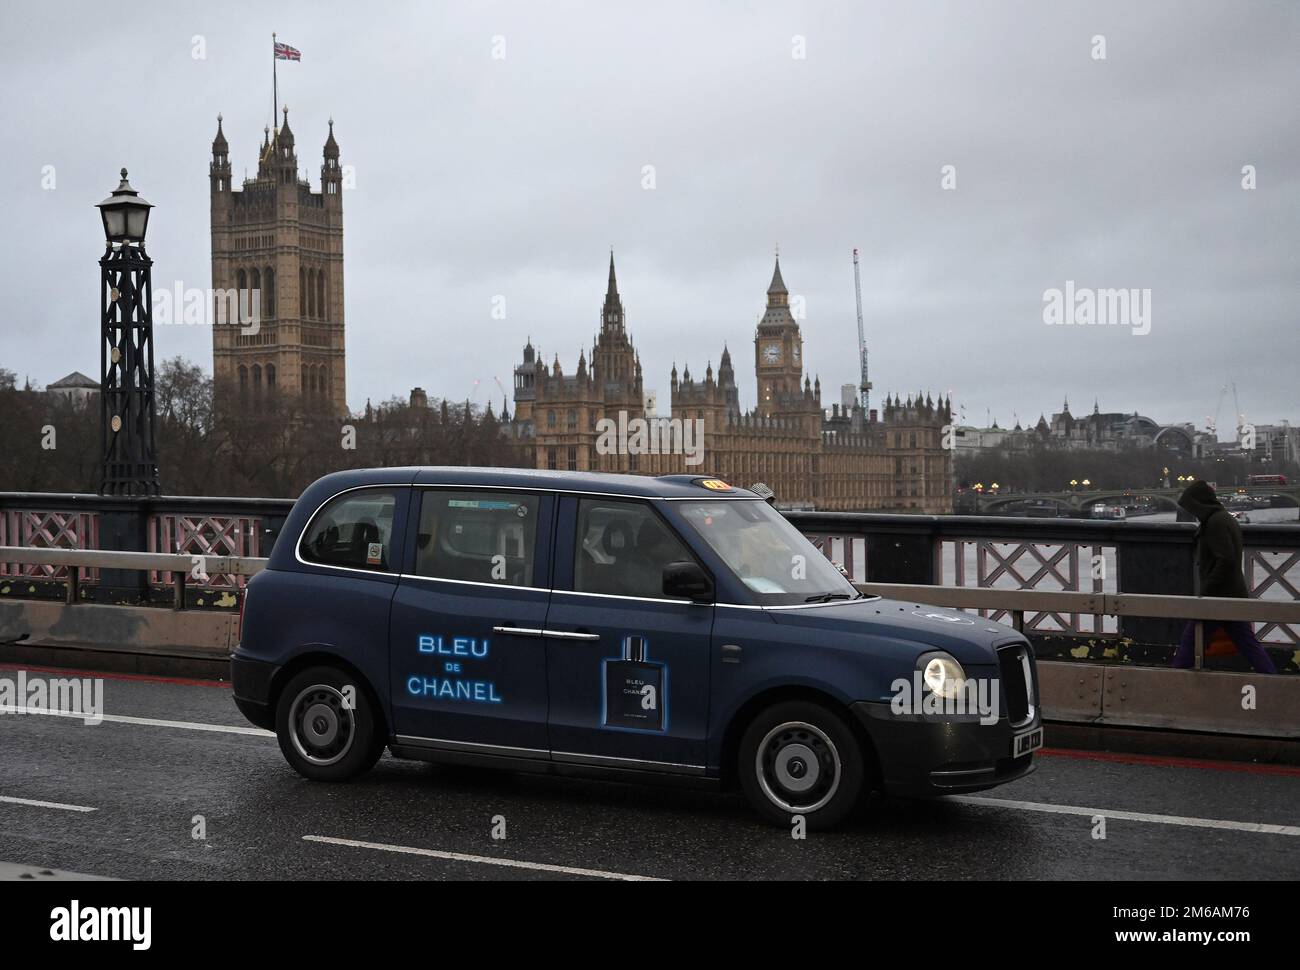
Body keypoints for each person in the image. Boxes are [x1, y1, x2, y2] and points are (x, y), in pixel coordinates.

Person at [1171, 480, 1276, 673]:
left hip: (1217, 597)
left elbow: (1225, 560)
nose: (1191, 512)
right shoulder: (1224, 518)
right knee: (1248, 644)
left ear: (1199, 503)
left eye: (1191, 507)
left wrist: (1207, 589)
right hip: (1231, 594)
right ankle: (1273, 679)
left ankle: (1172, 683)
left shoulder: (1215, 523)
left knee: (1191, 640)